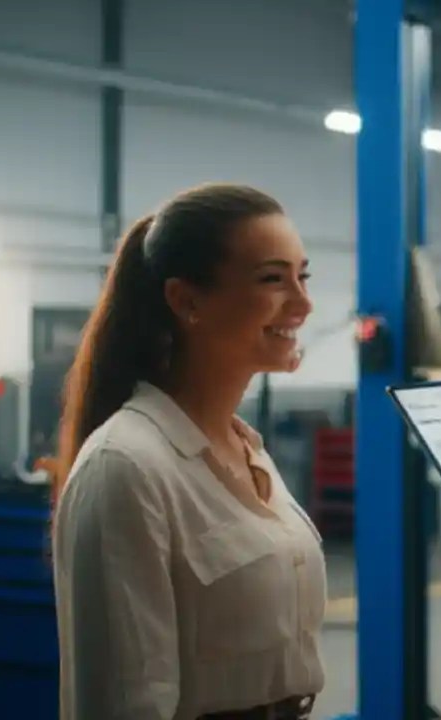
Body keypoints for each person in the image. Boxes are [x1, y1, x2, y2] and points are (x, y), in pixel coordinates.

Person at [51, 183, 328, 720]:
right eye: (273, 279)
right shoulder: (127, 467)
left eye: (303, 276)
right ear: (187, 300)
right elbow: (123, 703)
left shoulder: (247, 451)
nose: (303, 302)